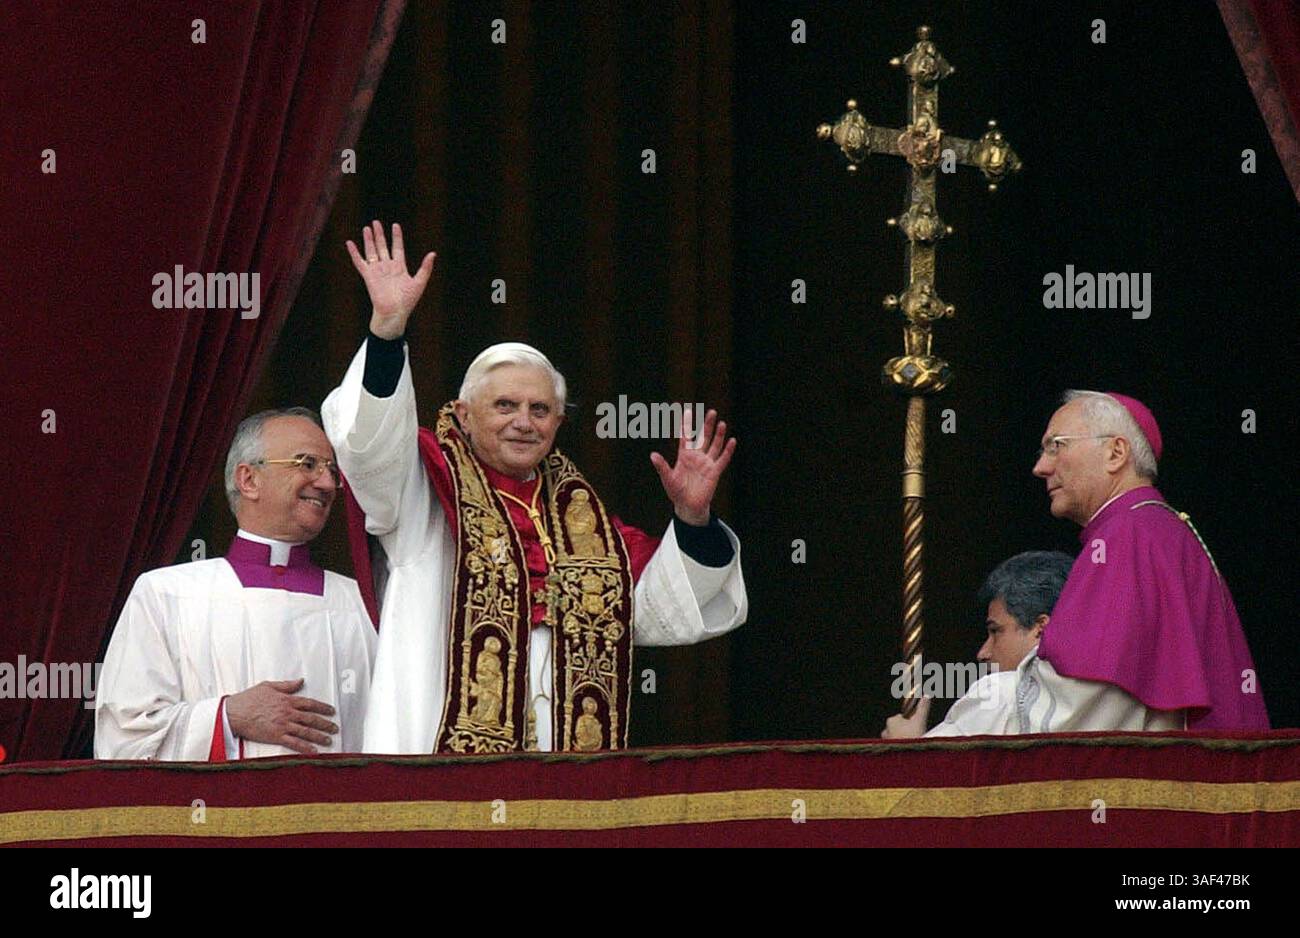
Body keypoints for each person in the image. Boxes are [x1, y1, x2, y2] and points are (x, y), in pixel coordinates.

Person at [322, 221, 747, 754]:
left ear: (557, 425)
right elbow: (370, 445)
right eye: (505, 406)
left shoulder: (582, 521)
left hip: (562, 756)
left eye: (539, 409)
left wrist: (692, 519)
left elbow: (665, 606)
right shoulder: (425, 486)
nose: (524, 421)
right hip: (439, 743)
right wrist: (387, 331)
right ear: (464, 414)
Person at [95, 408, 376, 760]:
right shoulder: (165, 595)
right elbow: (124, 740)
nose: (326, 483)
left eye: (332, 470)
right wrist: (227, 716)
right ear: (249, 480)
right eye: (307, 464)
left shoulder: (363, 604)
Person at [1023, 390, 1269, 731]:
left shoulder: (1129, 535)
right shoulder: (1156, 528)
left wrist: (993, 694)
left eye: (1056, 446)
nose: (1041, 467)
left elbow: (1087, 701)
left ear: (1115, 453)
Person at [882, 551, 1073, 738]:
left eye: (995, 631)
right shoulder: (1097, 696)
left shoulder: (1001, 693)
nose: (983, 653)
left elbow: (933, 768)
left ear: (1040, 628)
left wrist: (906, 746)